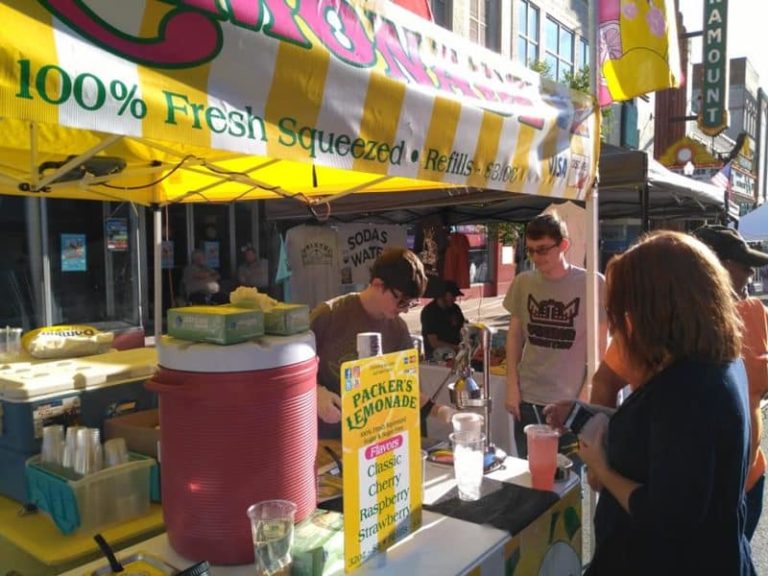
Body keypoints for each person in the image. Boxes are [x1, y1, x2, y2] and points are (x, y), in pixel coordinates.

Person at [578, 231, 754, 575]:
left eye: (626, 309)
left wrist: (602, 469)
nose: (622, 325)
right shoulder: (715, 364)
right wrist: (592, 414)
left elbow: (668, 516)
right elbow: (664, 439)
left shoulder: (688, 390)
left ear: (654, 310)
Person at [312, 248, 451, 439]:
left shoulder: (398, 329)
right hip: (325, 438)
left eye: (411, 303)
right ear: (378, 284)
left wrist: (440, 411)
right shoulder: (328, 316)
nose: (405, 310)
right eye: (401, 301)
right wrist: (315, 392)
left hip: (372, 436)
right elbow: (290, 373)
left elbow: (406, 389)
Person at [503, 212, 607, 458]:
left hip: (571, 401)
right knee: (530, 475)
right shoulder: (523, 282)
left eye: (543, 250)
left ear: (564, 245)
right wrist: (511, 386)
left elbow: (601, 347)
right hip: (529, 398)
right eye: (530, 251)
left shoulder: (593, 284)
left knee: (570, 481)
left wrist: (585, 395)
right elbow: (515, 337)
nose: (536, 258)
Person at [694, 225, 768, 541]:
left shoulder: (753, 310)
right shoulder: (673, 322)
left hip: (750, 476)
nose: (752, 273)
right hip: (703, 486)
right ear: (715, 267)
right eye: (743, 264)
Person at [420, 280, 466, 360]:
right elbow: (434, 342)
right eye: (452, 295)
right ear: (442, 295)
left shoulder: (455, 308)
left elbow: (463, 328)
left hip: (457, 352)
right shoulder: (429, 312)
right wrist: (457, 348)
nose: (455, 299)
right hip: (436, 355)